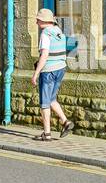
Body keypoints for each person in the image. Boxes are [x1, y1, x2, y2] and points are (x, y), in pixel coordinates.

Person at [30, 8, 74, 141]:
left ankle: (47, 133)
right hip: (61, 68)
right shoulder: (59, 32)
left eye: (38, 20)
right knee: (51, 99)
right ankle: (65, 122)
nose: (36, 22)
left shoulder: (45, 34)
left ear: (43, 21)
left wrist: (35, 74)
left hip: (48, 70)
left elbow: (44, 55)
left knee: (44, 103)